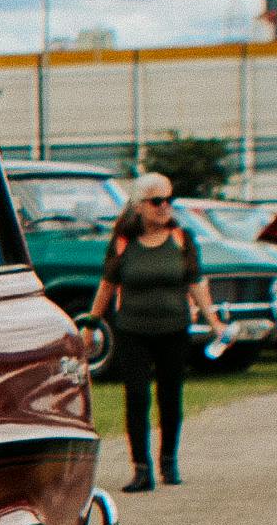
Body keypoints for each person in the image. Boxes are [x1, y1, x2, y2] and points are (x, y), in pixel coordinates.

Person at [89, 172, 227, 490]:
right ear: (139, 206)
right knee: (137, 396)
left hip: (174, 328)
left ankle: (169, 463)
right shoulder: (124, 242)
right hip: (133, 329)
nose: (164, 207)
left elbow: (195, 283)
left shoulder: (182, 239)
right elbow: (107, 285)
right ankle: (141, 468)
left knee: (170, 396)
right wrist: (92, 324)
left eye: (169, 200)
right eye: (156, 201)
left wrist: (213, 322)